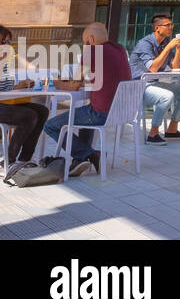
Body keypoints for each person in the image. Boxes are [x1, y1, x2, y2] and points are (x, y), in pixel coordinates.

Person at [42, 22, 130, 177]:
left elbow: (74, 85)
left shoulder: (92, 51)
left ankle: (90, 154)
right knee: (85, 116)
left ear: (91, 38)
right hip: (122, 112)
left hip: (101, 114)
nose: (84, 46)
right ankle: (81, 158)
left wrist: (57, 83)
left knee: (50, 125)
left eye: (84, 42)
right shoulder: (120, 50)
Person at [128, 13, 180, 144]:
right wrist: (169, 47)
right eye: (167, 25)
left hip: (153, 84)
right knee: (166, 96)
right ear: (157, 28)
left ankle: (172, 130)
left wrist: (178, 49)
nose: (171, 27)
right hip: (138, 86)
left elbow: (174, 68)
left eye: (172, 25)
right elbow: (152, 68)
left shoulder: (164, 44)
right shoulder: (145, 44)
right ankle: (153, 134)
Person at [0, 25, 50, 180]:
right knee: (28, 116)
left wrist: (21, 84)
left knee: (42, 111)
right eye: (3, 41)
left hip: (5, 101)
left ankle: (24, 159)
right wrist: (16, 85)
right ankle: (8, 161)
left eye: (8, 41)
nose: (7, 45)